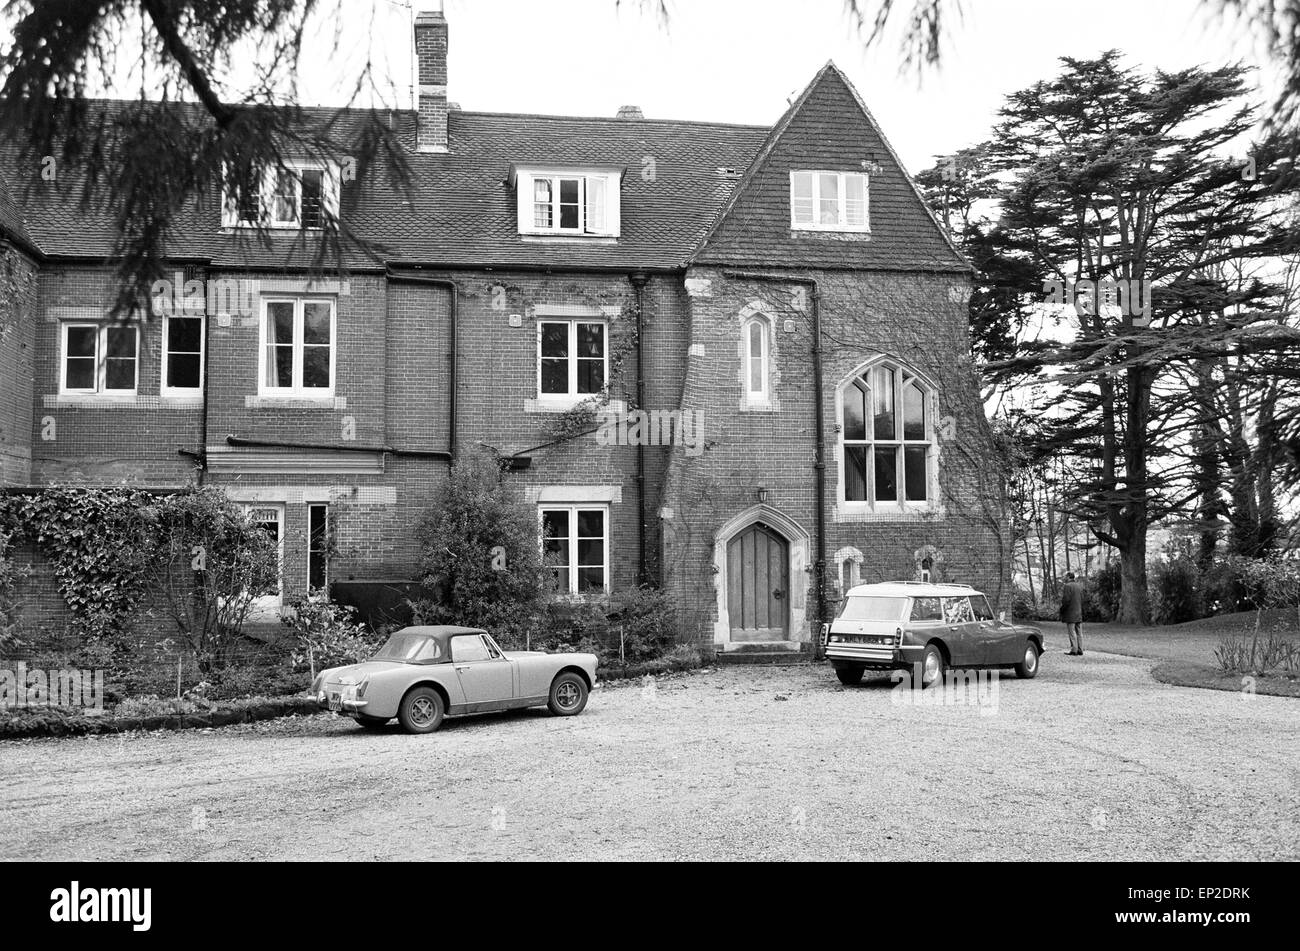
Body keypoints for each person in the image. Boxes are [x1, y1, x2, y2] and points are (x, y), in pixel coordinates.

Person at [1059, 572, 1085, 655]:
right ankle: (1080, 649)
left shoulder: (1067, 586)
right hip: (1079, 612)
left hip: (1070, 612)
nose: (1064, 578)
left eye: (1065, 576)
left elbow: (1066, 600)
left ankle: (1074, 650)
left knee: (1072, 631)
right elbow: (1082, 599)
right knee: (1079, 632)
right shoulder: (1079, 586)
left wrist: (1062, 609)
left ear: (1069, 577)